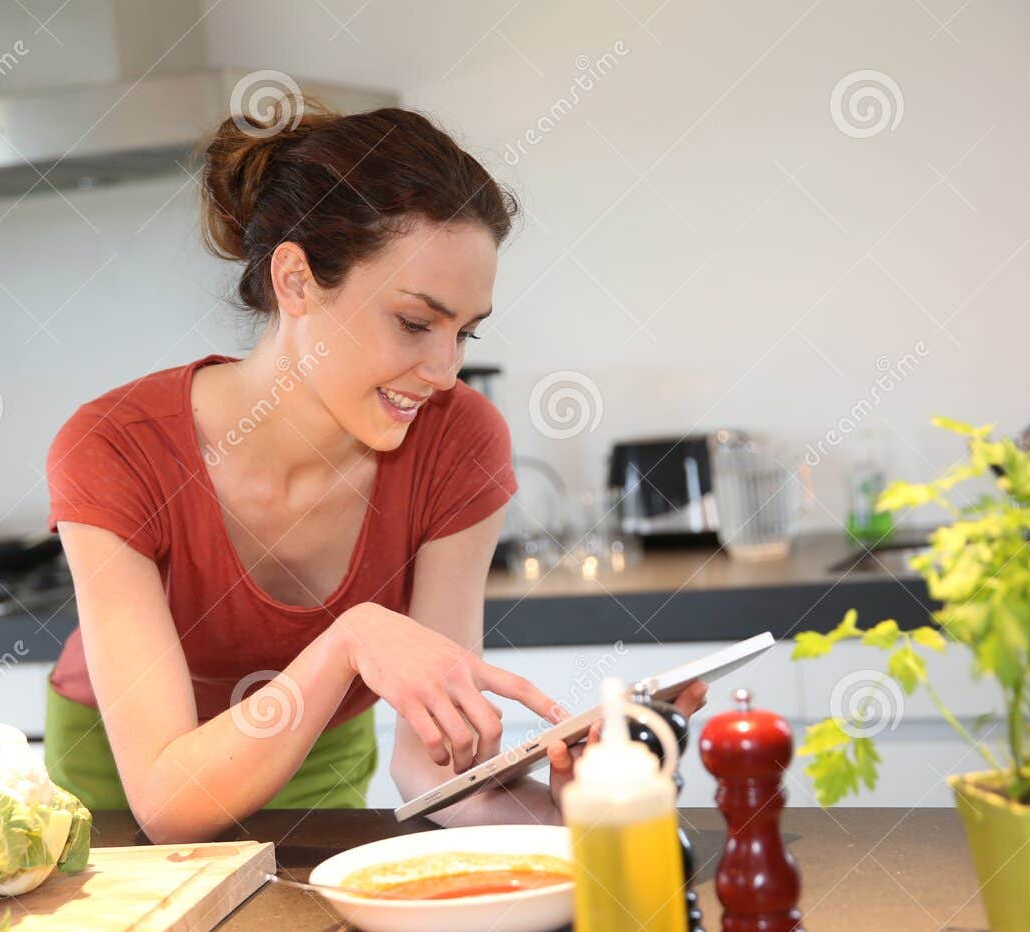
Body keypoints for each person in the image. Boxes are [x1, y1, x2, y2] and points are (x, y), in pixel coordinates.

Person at [43, 99, 705, 842]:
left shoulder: (458, 440)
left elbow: (433, 776)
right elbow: (169, 803)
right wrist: (349, 639)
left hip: (319, 750)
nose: (447, 371)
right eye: (416, 324)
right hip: (122, 774)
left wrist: (573, 810)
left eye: (464, 331)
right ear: (295, 281)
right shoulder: (115, 446)